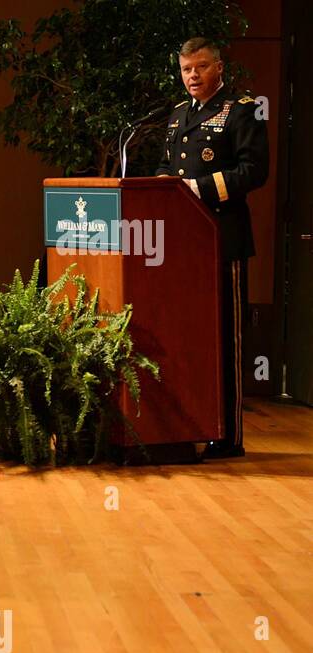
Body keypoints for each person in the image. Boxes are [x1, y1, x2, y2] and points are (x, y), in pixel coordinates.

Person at [154, 36, 269, 458]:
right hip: (184, 246)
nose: (192, 76)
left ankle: (229, 436)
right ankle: (190, 426)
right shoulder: (179, 113)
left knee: (226, 339)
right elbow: (167, 167)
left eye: (200, 67)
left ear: (218, 68)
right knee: (188, 337)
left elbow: (254, 171)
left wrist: (194, 189)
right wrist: (164, 185)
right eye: (186, 69)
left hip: (224, 239)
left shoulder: (244, 109)